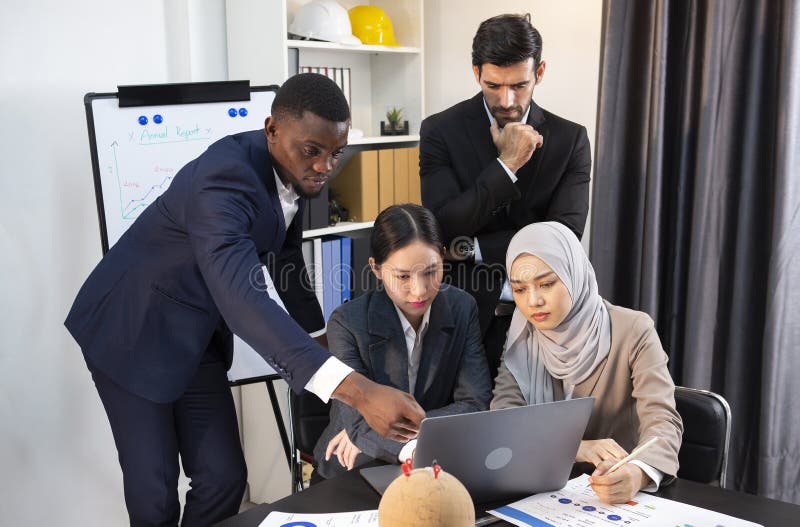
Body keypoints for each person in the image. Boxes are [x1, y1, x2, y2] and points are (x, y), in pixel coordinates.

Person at [64, 73, 424, 526]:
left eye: (336, 153)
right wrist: (359, 391)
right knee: (154, 494)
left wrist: (318, 337)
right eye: (311, 151)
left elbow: (286, 254)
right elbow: (242, 297)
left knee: (223, 478)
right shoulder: (224, 180)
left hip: (195, 336)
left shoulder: (292, 172)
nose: (323, 166)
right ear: (271, 129)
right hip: (131, 330)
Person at [419, 13, 592, 381]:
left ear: (540, 72)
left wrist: (471, 247)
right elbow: (443, 226)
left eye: (519, 85)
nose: (507, 99)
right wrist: (507, 164)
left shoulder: (571, 139)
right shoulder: (439, 131)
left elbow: (563, 236)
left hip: (547, 324)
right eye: (493, 85)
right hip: (463, 320)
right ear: (476, 72)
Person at [490, 222, 683, 504]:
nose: (533, 301)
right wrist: (574, 449)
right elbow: (503, 427)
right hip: (544, 496)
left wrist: (637, 473)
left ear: (574, 274)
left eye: (547, 284)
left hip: (615, 497)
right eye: (520, 290)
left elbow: (663, 422)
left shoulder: (633, 330)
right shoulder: (523, 336)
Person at [312, 204, 492, 479]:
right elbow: (358, 422)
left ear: (443, 257)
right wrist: (380, 438)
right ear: (376, 268)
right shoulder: (346, 323)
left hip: (435, 459)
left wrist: (400, 438)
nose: (419, 290)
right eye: (403, 276)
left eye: (431, 271)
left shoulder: (461, 307)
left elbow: (475, 402)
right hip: (356, 463)